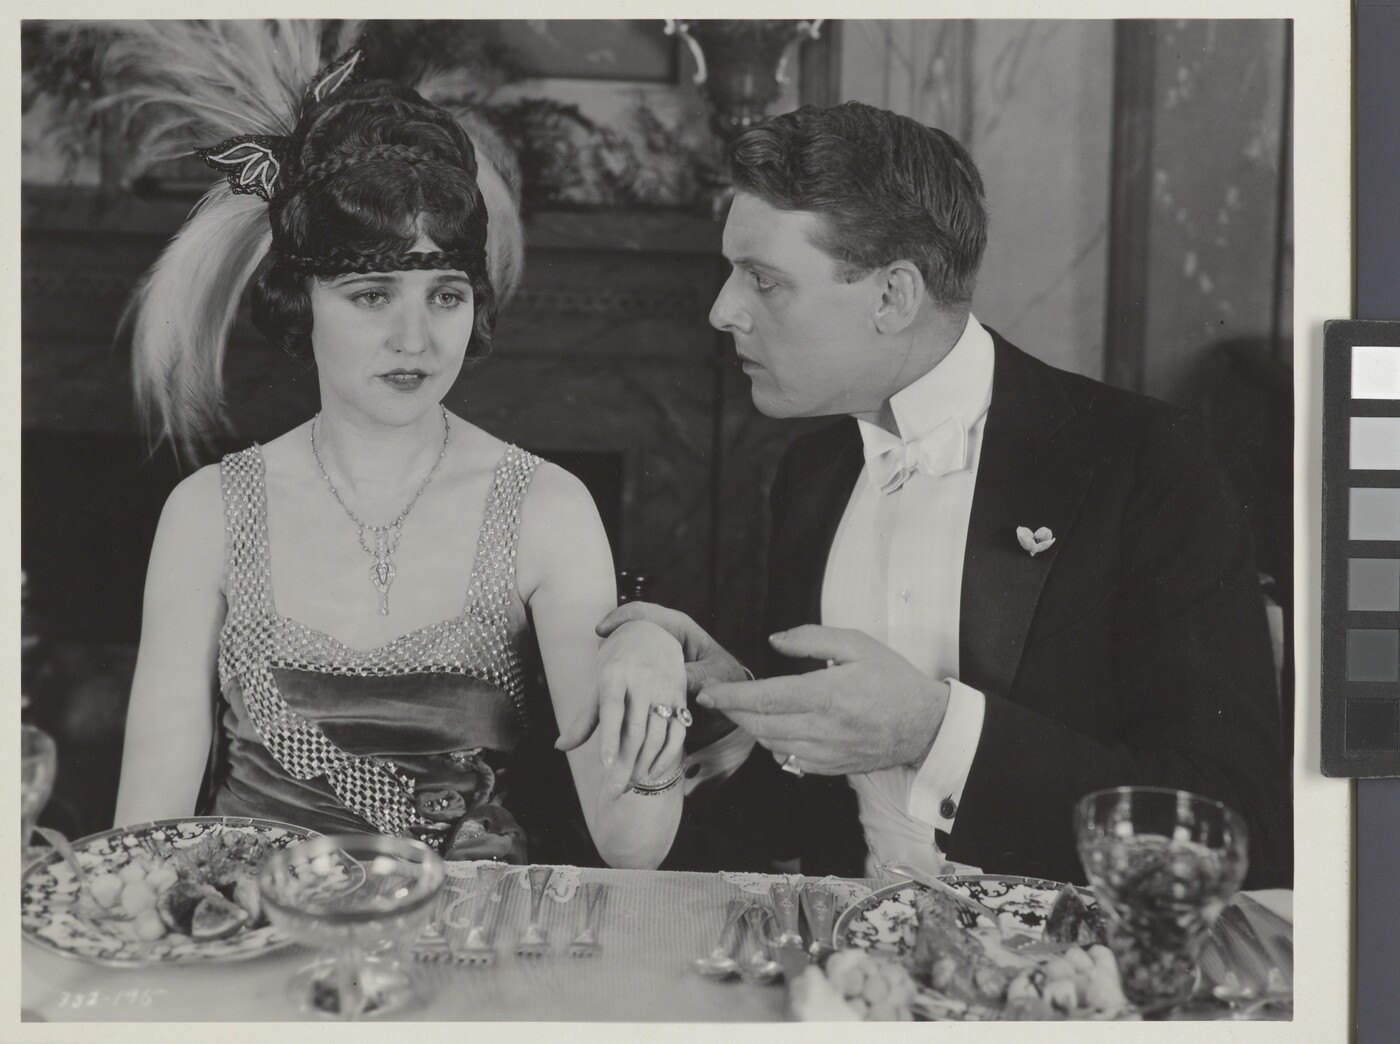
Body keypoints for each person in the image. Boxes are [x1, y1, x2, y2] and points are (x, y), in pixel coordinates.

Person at [561, 101, 1293, 888]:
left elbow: (1237, 817)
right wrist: (740, 709)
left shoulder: (1145, 462)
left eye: (764, 281)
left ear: (894, 297)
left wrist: (933, 732)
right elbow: (803, 818)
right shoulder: (812, 472)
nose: (721, 310)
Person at [109, 23, 686, 870]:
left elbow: (633, 845)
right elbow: (144, 839)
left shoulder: (547, 508)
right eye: (372, 294)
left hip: (471, 937)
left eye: (444, 295)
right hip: (259, 931)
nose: (414, 339)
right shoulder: (206, 515)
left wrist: (654, 663)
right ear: (300, 301)